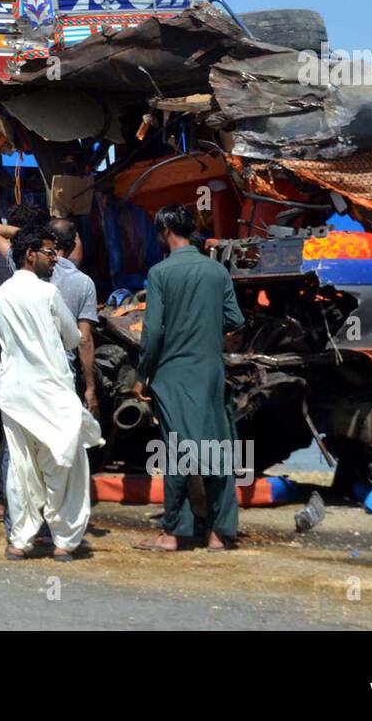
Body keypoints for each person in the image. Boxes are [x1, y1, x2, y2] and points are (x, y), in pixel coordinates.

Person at [133, 204, 245, 551]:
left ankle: (174, 532)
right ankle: (218, 532)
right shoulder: (216, 271)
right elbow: (235, 320)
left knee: (179, 451)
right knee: (216, 448)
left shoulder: (161, 273)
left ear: (165, 231)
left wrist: (142, 376)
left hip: (173, 374)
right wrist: (205, 328)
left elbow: (151, 334)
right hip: (211, 371)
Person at [0, 228, 103, 561]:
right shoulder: (48, 294)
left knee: (21, 468)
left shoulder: (0, 296)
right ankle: (64, 541)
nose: (56, 260)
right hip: (50, 390)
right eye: (50, 253)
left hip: (15, 393)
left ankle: (20, 541)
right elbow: (72, 338)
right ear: (30, 255)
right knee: (66, 464)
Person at [0, 202, 49, 523]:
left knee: (11, 431)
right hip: (34, 362)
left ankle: (3, 500)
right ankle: (24, 501)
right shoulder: (45, 271)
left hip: (0, 356)